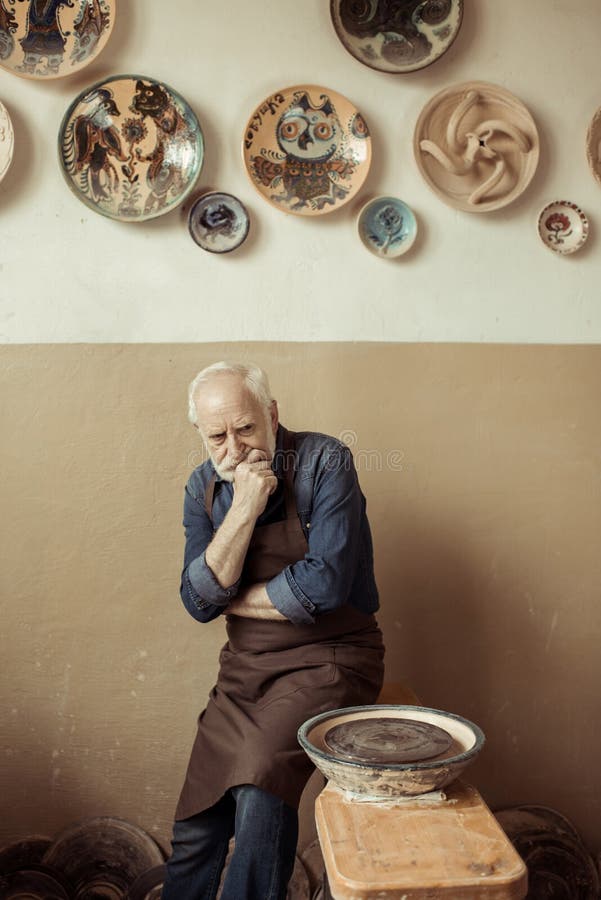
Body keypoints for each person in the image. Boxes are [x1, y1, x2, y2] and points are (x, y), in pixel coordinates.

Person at [162, 361, 385, 900]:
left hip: (332, 658)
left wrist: (230, 595)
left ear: (273, 414)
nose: (234, 448)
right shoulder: (202, 489)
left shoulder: (325, 460)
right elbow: (196, 604)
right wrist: (244, 506)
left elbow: (323, 588)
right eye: (217, 436)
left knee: (260, 788)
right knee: (198, 820)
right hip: (245, 671)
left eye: (245, 428)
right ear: (201, 435)